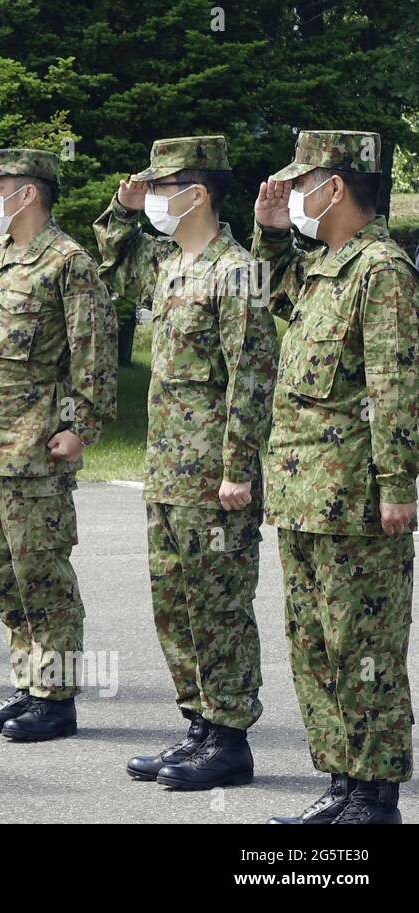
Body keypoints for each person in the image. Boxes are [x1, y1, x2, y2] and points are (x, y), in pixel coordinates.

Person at [95, 136, 276, 788]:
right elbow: (113, 265)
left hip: (213, 478)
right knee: (175, 605)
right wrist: (120, 208)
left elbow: (251, 380)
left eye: (160, 188)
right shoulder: (174, 266)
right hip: (167, 472)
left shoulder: (236, 271)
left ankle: (229, 739)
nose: (152, 198)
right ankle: (198, 723)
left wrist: (236, 468)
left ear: (196, 194)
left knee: (219, 607)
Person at [0, 149, 117, 740]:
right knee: (3, 574)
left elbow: (95, 351)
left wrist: (83, 425)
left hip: (35, 446)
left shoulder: (67, 262)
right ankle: (28, 684)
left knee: (43, 576)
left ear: (28, 193)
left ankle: (56, 700)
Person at [255, 131, 417, 825]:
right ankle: (342, 780)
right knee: (315, 644)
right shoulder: (324, 267)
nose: (291, 195)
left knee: (363, 648)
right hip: (304, 496)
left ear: (337, 186)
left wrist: (398, 484)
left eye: (301, 184)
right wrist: (266, 237)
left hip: (355, 501)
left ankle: (376, 792)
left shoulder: (381, 271)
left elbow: (394, 386)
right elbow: (267, 302)